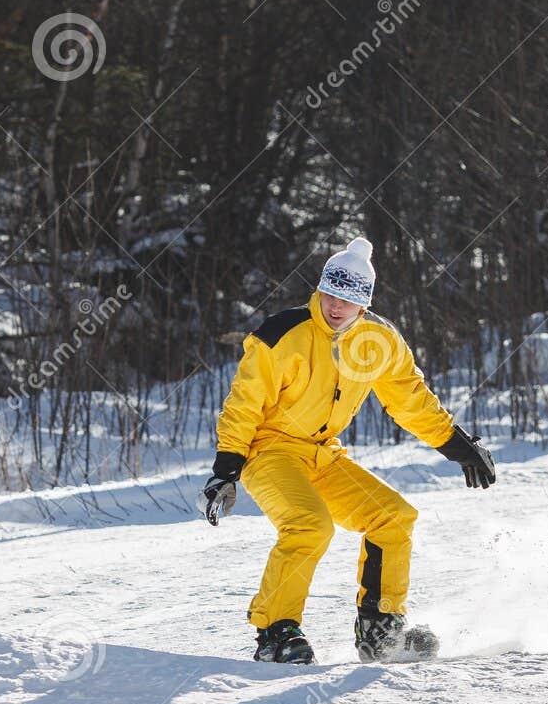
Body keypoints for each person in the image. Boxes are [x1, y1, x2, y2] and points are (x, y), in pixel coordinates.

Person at [200, 236, 496, 664]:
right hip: (269, 451)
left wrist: (457, 444)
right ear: (319, 290)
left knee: (393, 517)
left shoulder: (378, 342)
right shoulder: (283, 334)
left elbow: (410, 399)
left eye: (349, 299)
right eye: (331, 295)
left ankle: (380, 630)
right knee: (309, 524)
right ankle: (275, 632)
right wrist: (226, 469)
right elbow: (244, 403)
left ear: (365, 304)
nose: (337, 307)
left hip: (323, 453)